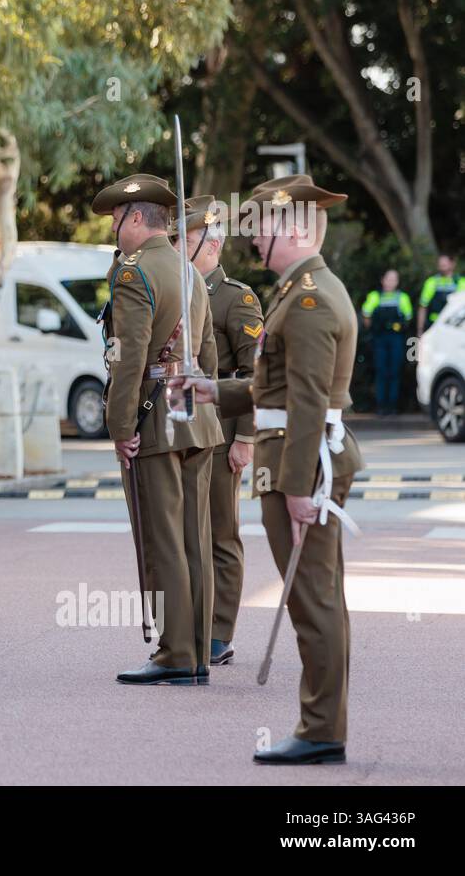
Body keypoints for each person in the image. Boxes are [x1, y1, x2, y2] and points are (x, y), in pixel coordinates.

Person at [172, 173, 364, 765]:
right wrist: (210, 390)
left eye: (264, 230)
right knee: (315, 596)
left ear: (298, 229)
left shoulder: (307, 299)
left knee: (313, 600)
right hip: (294, 458)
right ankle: (320, 724)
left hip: (301, 465)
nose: (254, 242)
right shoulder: (300, 290)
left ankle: (321, 729)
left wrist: (302, 488)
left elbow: (306, 403)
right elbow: (270, 388)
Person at [95, 173, 221, 686]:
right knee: (195, 538)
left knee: (164, 539)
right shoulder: (192, 273)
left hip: (155, 417)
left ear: (138, 220)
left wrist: (120, 425)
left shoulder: (133, 273)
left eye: (116, 220)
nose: (113, 229)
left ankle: (174, 653)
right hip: (196, 412)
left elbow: (128, 359)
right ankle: (197, 652)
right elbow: (207, 351)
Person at [171, 195, 261, 667]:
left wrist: (245, 437)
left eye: (182, 240)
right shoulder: (177, 287)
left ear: (211, 243)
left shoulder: (236, 298)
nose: (174, 247)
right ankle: (192, 623)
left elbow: (255, 375)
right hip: (185, 430)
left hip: (223, 431)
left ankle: (219, 631)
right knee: (190, 532)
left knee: (221, 533)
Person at [361, 269, 413, 416]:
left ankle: (392, 406)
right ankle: (381, 406)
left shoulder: (402, 297)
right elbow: (366, 314)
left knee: (394, 372)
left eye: (394, 279)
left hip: (396, 338)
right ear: (382, 280)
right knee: (381, 371)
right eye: (388, 278)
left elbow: (408, 318)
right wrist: (373, 328)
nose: (391, 282)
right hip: (379, 338)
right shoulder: (375, 296)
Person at [416, 254, 459, 336]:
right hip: (434, 325)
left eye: (444, 263)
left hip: (455, 327)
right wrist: (420, 330)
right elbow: (422, 307)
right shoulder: (431, 282)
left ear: (452, 264)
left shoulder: (461, 282)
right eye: (440, 263)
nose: (442, 265)